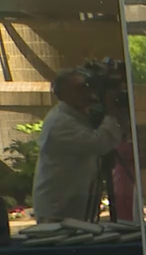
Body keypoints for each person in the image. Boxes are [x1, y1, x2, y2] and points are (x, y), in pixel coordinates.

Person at [31, 69, 123, 223]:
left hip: (75, 205)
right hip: (58, 209)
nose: (87, 92)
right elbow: (98, 143)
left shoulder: (78, 116)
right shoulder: (60, 122)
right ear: (64, 94)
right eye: (80, 88)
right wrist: (111, 113)